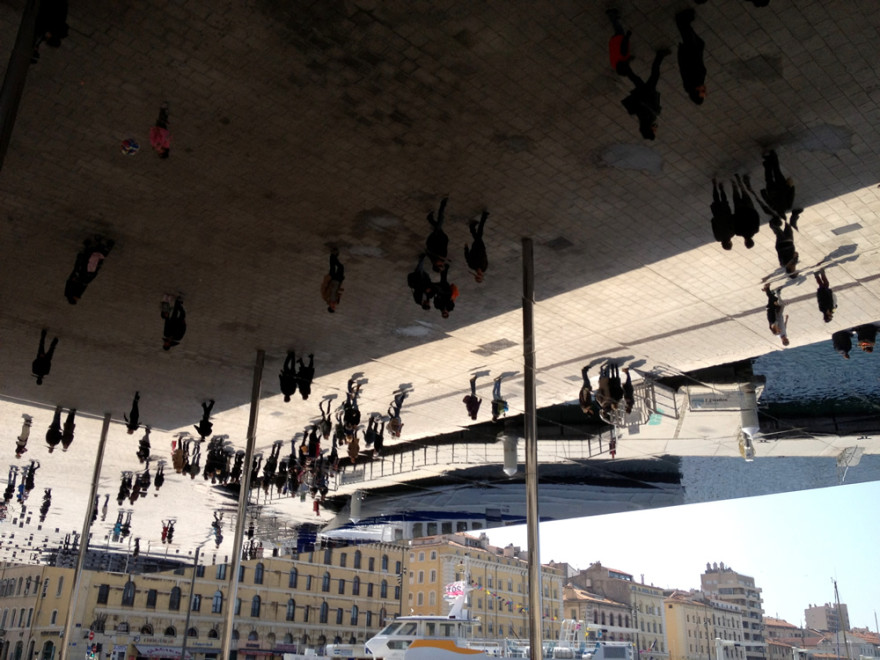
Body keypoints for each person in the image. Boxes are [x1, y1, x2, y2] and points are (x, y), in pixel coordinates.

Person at [620, 48, 671, 140]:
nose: (655, 130)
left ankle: (660, 55)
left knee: (654, 75)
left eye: (654, 131)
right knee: (637, 79)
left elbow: (645, 107)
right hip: (646, 92)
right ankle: (625, 67)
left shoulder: (647, 119)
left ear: (650, 129)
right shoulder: (647, 121)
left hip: (646, 92)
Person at [674, 8, 706, 104]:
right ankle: (686, 22)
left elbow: (684, 67)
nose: (704, 90)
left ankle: (681, 20)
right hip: (694, 53)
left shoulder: (693, 82)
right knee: (699, 42)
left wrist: (683, 52)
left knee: (688, 36)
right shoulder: (697, 83)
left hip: (690, 54)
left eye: (702, 92)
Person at [760, 150, 796, 218]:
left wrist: (791, 187)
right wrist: (763, 193)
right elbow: (767, 200)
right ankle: (767, 161)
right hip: (772, 190)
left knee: (777, 171)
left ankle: (773, 156)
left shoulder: (788, 206)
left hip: (782, 187)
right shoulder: (775, 208)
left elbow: (791, 195)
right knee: (769, 176)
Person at [731, 174, 760, 248]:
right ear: (745, 242)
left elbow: (756, 218)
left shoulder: (755, 230)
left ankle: (739, 181)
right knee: (736, 195)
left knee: (744, 193)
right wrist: (735, 214)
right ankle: (733, 183)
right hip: (739, 210)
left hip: (749, 208)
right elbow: (734, 221)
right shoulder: (738, 232)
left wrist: (753, 211)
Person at [464, 211, 489, 283]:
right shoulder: (484, 267)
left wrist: (466, 248)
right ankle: (472, 227)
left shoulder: (472, 265)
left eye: (478, 277)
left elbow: (467, 257)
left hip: (475, 248)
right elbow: (485, 257)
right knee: (478, 235)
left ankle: (484, 217)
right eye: (480, 276)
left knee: (479, 234)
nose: (480, 274)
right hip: (481, 247)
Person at [425, 198, 449, 272]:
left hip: (435, 237)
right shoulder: (443, 258)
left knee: (440, 220)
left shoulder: (432, 256)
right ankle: (430, 218)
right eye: (442, 265)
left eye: (440, 265)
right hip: (441, 237)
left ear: (435, 265)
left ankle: (443, 203)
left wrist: (436, 255)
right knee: (438, 224)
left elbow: (428, 248)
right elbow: (445, 247)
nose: (442, 264)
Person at [606, 8, 633, 74]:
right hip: (613, 42)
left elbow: (624, 43)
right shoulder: (614, 65)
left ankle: (612, 15)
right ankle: (615, 18)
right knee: (617, 28)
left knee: (618, 28)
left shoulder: (623, 56)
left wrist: (628, 35)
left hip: (619, 39)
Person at [709, 179, 734, 251]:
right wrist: (714, 220)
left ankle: (721, 189)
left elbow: (732, 222)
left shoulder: (731, 234)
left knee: (724, 201)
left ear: (730, 242)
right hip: (717, 216)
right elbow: (714, 228)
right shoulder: (718, 238)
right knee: (716, 200)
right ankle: (714, 186)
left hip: (726, 213)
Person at [321, 248, 344, 313]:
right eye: (334, 307)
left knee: (332, 267)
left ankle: (333, 255)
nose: (334, 306)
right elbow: (338, 292)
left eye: (333, 307)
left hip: (331, 279)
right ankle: (334, 256)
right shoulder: (337, 301)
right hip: (338, 281)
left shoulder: (326, 297)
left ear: (329, 306)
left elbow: (323, 287)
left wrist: (327, 279)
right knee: (341, 267)